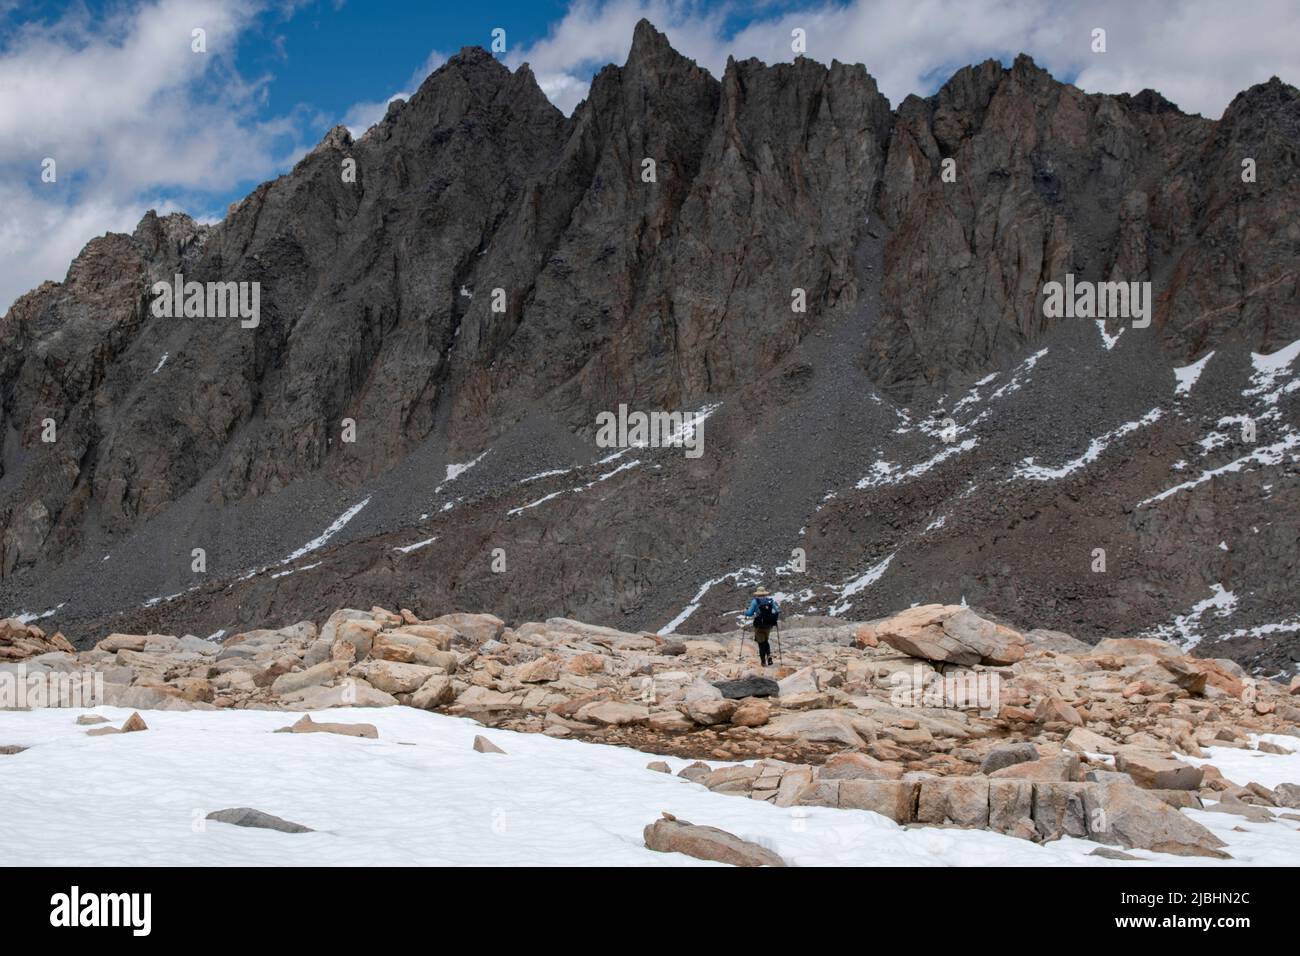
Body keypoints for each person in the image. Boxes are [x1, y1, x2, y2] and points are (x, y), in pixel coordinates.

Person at [743, 587, 780, 666]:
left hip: (759, 625)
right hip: (768, 625)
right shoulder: (770, 601)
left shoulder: (755, 601)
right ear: (765, 593)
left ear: (757, 594)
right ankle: (769, 658)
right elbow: (777, 610)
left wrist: (745, 612)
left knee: (761, 643)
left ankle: (763, 662)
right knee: (766, 641)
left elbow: (750, 613)